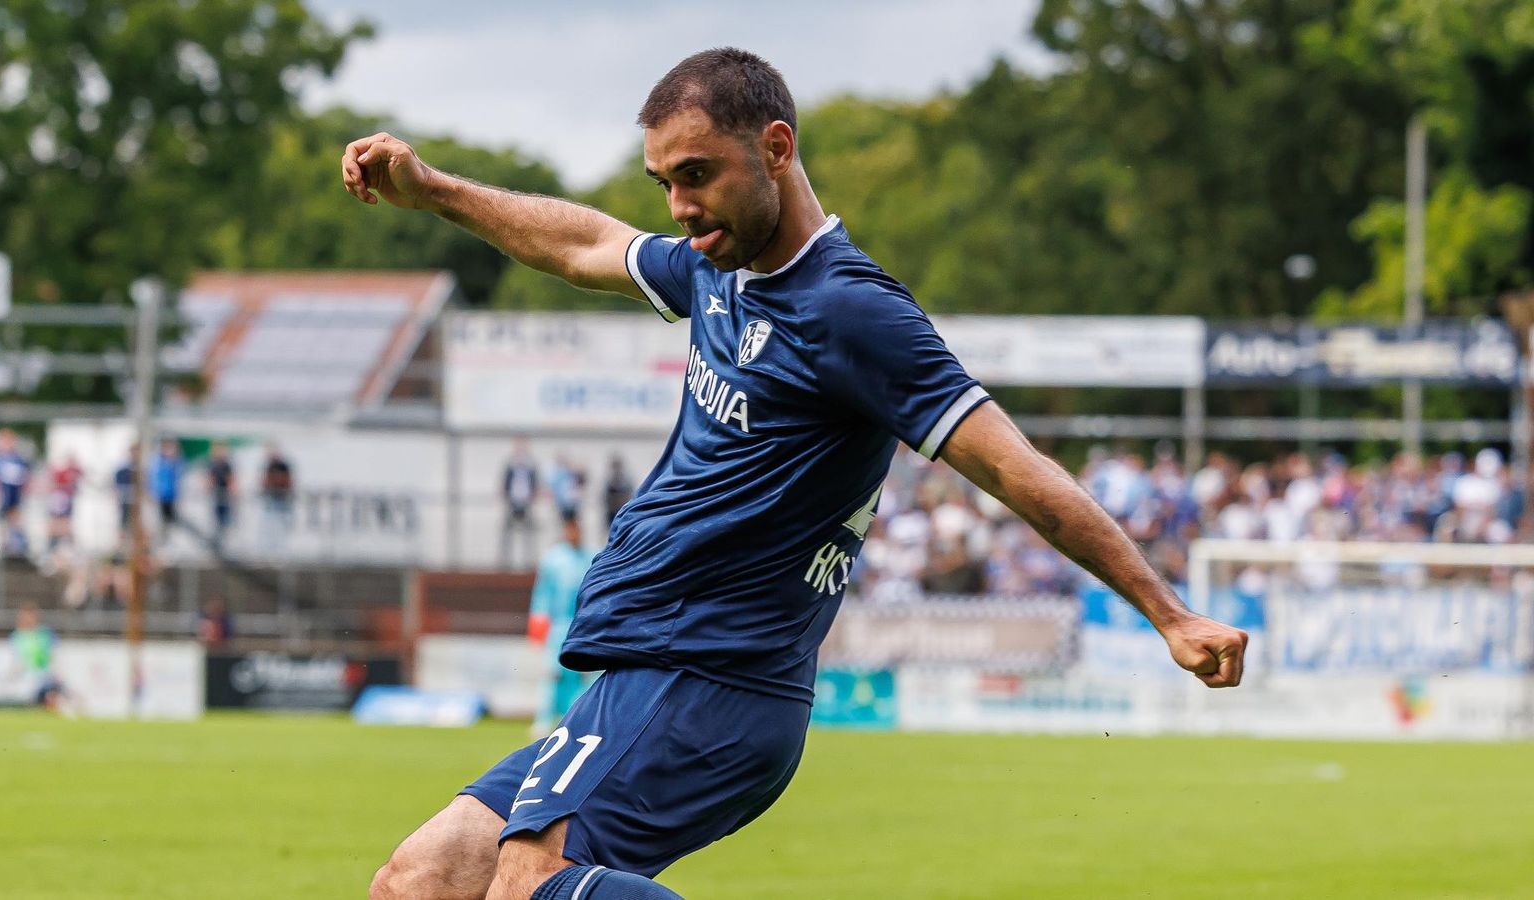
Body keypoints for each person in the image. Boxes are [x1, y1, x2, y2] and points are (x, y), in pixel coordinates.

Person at [346, 48, 1247, 900]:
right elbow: (585, 244)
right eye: (665, 183)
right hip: (651, 667)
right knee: (419, 881)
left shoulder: (851, 312)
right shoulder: (718, 271)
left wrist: (1168, 612)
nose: (681, 209)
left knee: (529, 885)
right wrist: (434, 192)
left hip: (710, 675)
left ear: (775, 148)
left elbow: (1015, 469)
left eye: (697, 175)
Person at [527, 516, 598, 736]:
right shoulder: (553, 558)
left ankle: (577, 719)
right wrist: (537, 621)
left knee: (582, 673)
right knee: (553, 672)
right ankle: (544, 719)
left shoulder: (591, 556)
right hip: (558, 625)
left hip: (582, 624)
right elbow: (542, 593)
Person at [9, 604, 68, 714]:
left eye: (30, 616)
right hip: (26, 677)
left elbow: (54, 655)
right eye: (25, 616)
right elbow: (15, 660)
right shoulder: (16, 636)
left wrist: (56, 673)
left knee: (51, 691)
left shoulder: (45, 633)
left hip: (45, 675)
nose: (28, 619)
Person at [0, 428, 32, 557]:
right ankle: (4, 545)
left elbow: (25, 477)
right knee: (2, 520)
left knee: (14, 518)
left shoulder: (19, 459)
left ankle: (16, 545)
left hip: (15, 496)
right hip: (1, 495)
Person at [500, 438, 540, 569]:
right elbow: (505, 484)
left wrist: (532, 496)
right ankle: (505, 563)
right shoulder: (510, 466)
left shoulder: (531, 467)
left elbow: (535, 484)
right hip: (513, 503)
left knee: (528, 533)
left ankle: (529, 563)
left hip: (526, 503)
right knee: (508, 533)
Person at [260, 444, 295, 555]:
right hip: (271, 500)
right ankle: (270, 549)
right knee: (270, 525)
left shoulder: (284, 466)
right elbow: (265, 481)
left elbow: (288, 481)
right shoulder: (269, 466)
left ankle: (281, 550)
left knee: (282, 524)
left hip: (282, 499)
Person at [149, 437, 184, 539]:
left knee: (170, 520)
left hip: (172, 496)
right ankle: (161, 540)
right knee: (161, 519)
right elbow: (154, 479)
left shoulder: (176, 462)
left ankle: (168, 539)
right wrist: (153, 492)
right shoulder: (158, 462)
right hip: (161, 496)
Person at [207, 441, 235, 544]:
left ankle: (224, 542)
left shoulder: (227, 465)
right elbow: (210, 479)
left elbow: (231, 479)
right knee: (216, 520)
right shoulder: (213, 465)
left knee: (225, 520)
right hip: (216, 496)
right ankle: (218, 542)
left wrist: (232, 491)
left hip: (225, 496)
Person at [601, 455, 633, 529]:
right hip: (612, 511)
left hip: (622, 510)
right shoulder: (609, 480)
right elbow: (605, 497)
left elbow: (630, 495)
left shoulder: (626, 480)